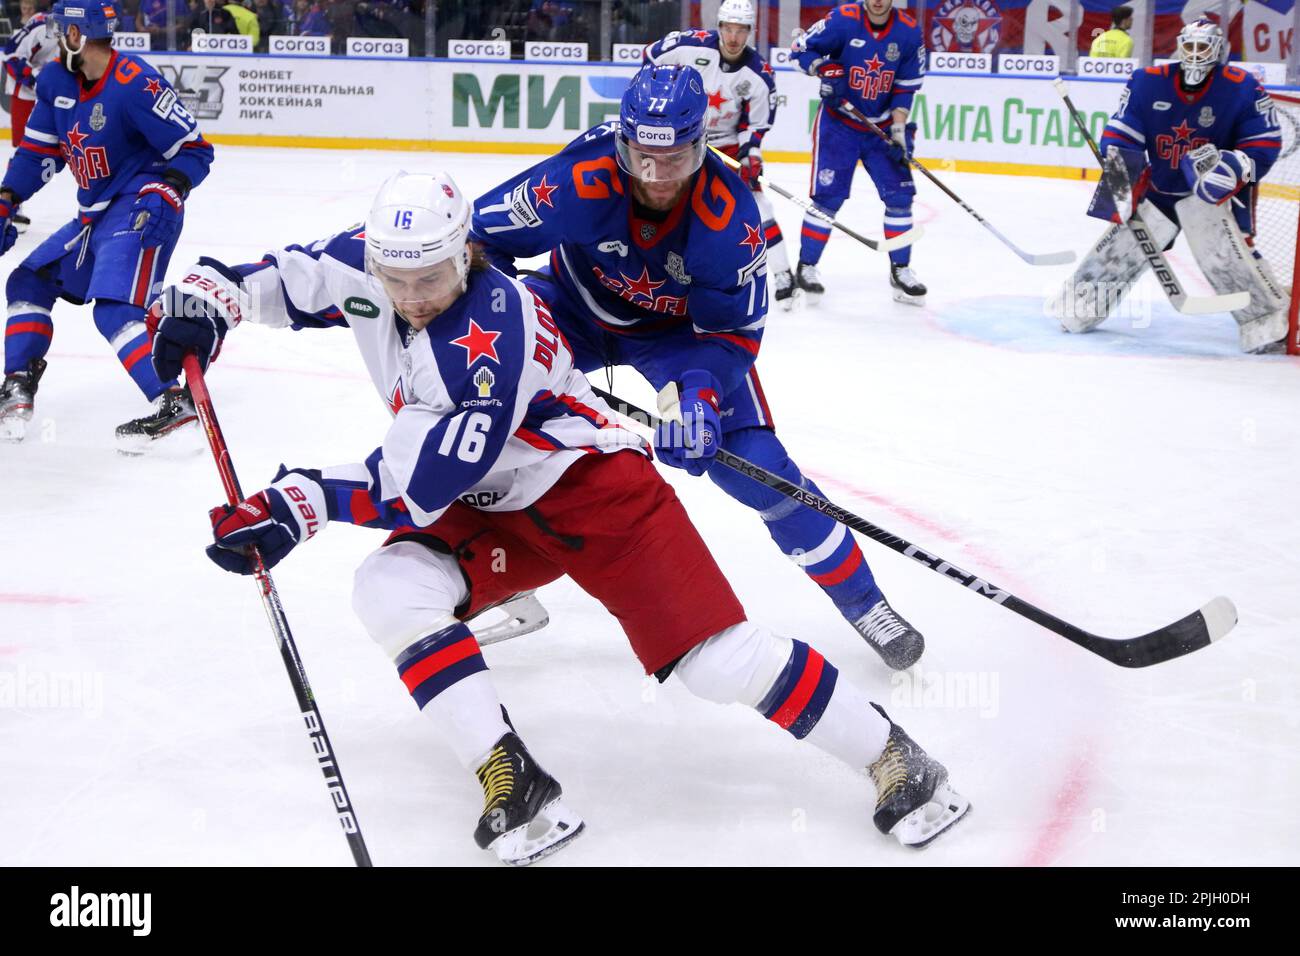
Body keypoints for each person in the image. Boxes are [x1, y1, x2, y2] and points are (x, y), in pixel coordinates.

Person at [145, 170, 969, 864]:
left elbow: (413, 482)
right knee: (390, 590)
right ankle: (512, 776)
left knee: (715, 665)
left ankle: (896, 755)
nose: (411, 299)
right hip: (493, 507)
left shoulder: (487, 340)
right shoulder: (387, 268)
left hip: (592, 493)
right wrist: (207, 300)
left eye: (429, 279)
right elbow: (279, 277)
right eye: (394, 282)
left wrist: (295, 503)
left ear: (469, 252)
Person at [470, 63, 928, 670]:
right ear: (622, 143)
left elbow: (733, 333)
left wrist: (699, 395)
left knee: (760, 472)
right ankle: (493, 570)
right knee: (481, 404)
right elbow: (480, 240)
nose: (658, 179)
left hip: (680, 340)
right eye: (643, 159)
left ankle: (865, 602)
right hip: (572, 309)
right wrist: (505, 321)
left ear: (701, 146)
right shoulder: (576, 180)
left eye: (677, 160)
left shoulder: (730, 221)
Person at [0, 0, 215, 447]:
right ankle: (17, 385)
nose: (58, 38)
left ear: (77, 35)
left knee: (115, 307)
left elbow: (196, 150)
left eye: (63, 31)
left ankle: (172, 401)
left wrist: (171, 187)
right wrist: (6, 197)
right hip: (94, 212)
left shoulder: (136, 83)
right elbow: (39, 152)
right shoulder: (56, 80)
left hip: (143, 203)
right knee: (28, 280)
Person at [1053, 19, 1286, 353]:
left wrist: (1236, 166)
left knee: (1225, 258)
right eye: (1189, 46)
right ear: (1179, 46)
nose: (1194, 54)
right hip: (1160, 187)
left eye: (1202, 47)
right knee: (1120, 251)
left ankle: (1267, 324)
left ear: (1217, 50)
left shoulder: (1241, 86)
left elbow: (1263, 141)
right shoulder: (1148, 82)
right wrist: (1119, 162)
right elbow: (1124, 127)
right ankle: (1078, 307)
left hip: (1212, 193)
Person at [643, 0, 796, 308]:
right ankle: (652, 270)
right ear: (719, 26)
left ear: (750, 32)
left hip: (724, 147)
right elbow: (650, 56)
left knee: (759, 206)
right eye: (728, 28)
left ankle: (783, 274)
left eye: (741, 30)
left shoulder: (760, 75)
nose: (734, 37)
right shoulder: (690, 45)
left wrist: (750, 155)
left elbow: (755, 126)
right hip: (682, 143)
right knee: (661, 202)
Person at [791, 0, 927, 305]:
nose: (878, 1)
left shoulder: (908, 31)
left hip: (882, 127)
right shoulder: (842, 20)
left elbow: (906, 87)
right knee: (827, 199)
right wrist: (824, 68)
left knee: (900, 197)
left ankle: (901, 270)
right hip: (839, 123)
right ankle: (807, 267)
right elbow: (799, 51)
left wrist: (898, 129)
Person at [3, 0, 56, 232]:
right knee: (24, 150)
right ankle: (10, 205)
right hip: (25, 94)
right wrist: (34, 80)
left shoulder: (82, 31)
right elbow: (11, 55)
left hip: (52, 94)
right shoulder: (41, 26)